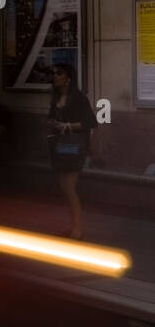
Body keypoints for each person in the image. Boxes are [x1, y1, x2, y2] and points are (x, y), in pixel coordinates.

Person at [45, 62, 97, 240]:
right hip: (59, 145)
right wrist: (53, 123)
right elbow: (51, 117)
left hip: (74, 146)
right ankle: (72, 225)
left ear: (68, 78)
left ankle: (78, 228)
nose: (55, 76)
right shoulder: (56, 97)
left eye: (59, 73)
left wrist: (66, 126)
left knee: (69, 187)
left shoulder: (78, 98)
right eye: (53, 73)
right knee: (63, 186)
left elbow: (90, 122)